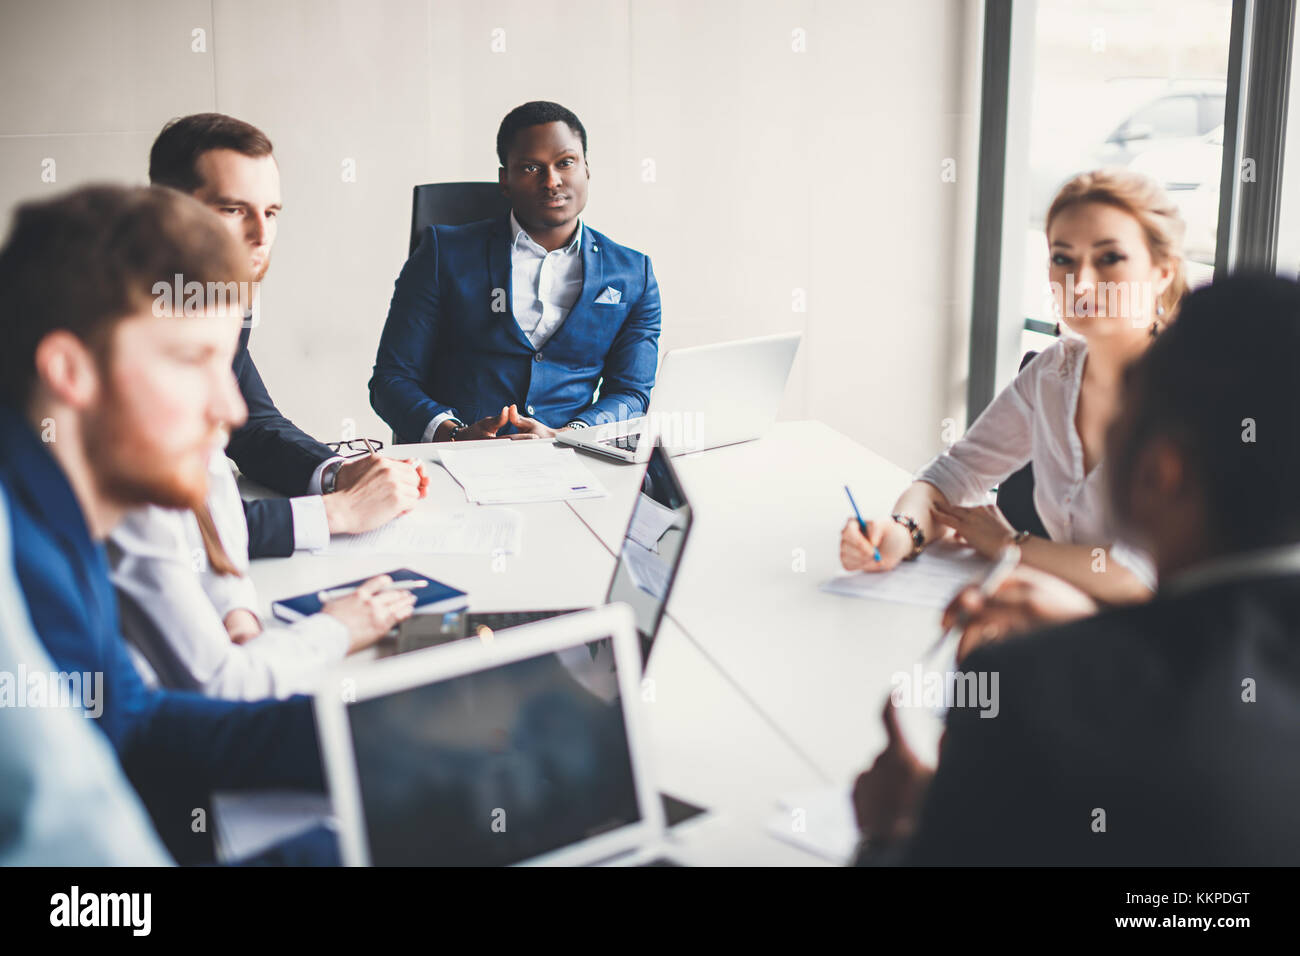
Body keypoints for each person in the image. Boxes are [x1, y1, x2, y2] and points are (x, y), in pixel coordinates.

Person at [0, 184, 413, 863]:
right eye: (194, 362)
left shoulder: (57, 519)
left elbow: (132, 719)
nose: (232, 408)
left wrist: (373, 739)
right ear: (70, 372)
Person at [854, 276, 1300, 865]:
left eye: (1119, 431)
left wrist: (895, 829)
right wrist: (1099, 623)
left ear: (1158, 472)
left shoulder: (1035, 693)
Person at [841, 168, 1186, 604]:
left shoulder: (1189, 394)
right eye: (1063, 258)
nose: (1079, 284)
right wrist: (900, 533)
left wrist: (1012, 546)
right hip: (1070, 621)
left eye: (1108, 258)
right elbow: (955, 474)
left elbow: (1135, 574)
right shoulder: (1053, 374)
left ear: (1162, 271)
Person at [150, 113, 429, 559]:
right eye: (233, 210)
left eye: (271, 212)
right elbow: (162, 527)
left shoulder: (217, 296)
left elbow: (253, 425)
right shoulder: (119, 325)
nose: (261, 235)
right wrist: (339, 513)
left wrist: (339, 474)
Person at [369, 100, 662, 444]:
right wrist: (455, 434)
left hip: (572, 460)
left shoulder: (633, 273)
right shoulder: (442, 254)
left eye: (566, 163)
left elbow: (631, 393)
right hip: (457, 462)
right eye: (530, 168)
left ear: (586, 170)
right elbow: (391, 380)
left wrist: (569, 435)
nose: (551, 181)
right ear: (504, 181)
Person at [108, 430, 415, 700]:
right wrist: (337, 630)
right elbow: (218, 686)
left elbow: (216, 523)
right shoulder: (127, 497)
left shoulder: (191, 438)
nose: (234, 410)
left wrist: (237, 614)